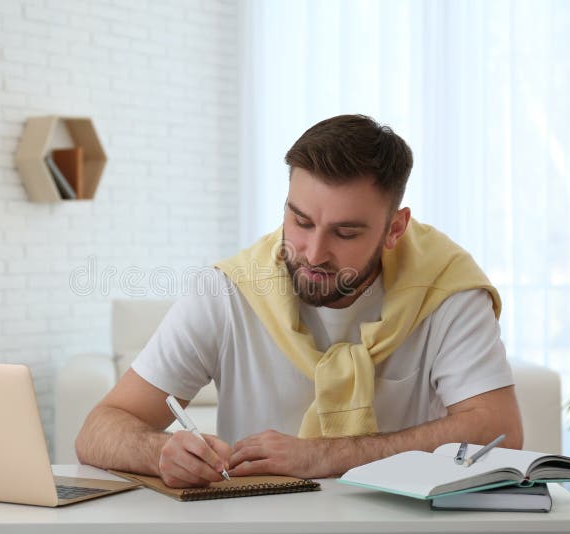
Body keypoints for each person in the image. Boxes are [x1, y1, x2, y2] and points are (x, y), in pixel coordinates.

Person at [76, 114, 523, 488]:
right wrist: (160, 452)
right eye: (300, 220)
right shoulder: (230, 290)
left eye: (345, 233)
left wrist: (325, 456)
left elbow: (500, 433)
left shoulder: (448, 291)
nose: (312, 252)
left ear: (395, 229)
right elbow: (99, 429)